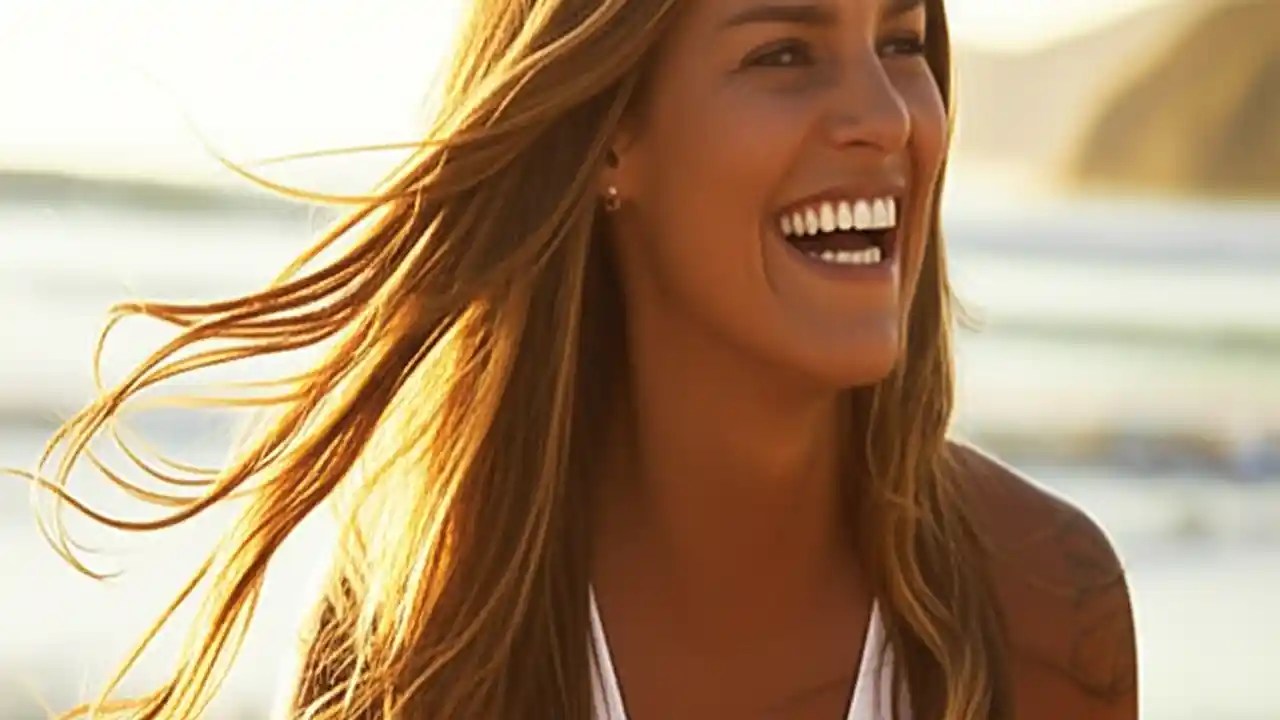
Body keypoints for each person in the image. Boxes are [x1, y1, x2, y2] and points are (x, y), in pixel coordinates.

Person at [18, 0, 1137, 717]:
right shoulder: (419, 626)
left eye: (900, 44)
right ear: (609, 135)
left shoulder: (1033, 600)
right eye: (785, 52)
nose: (887, 118)